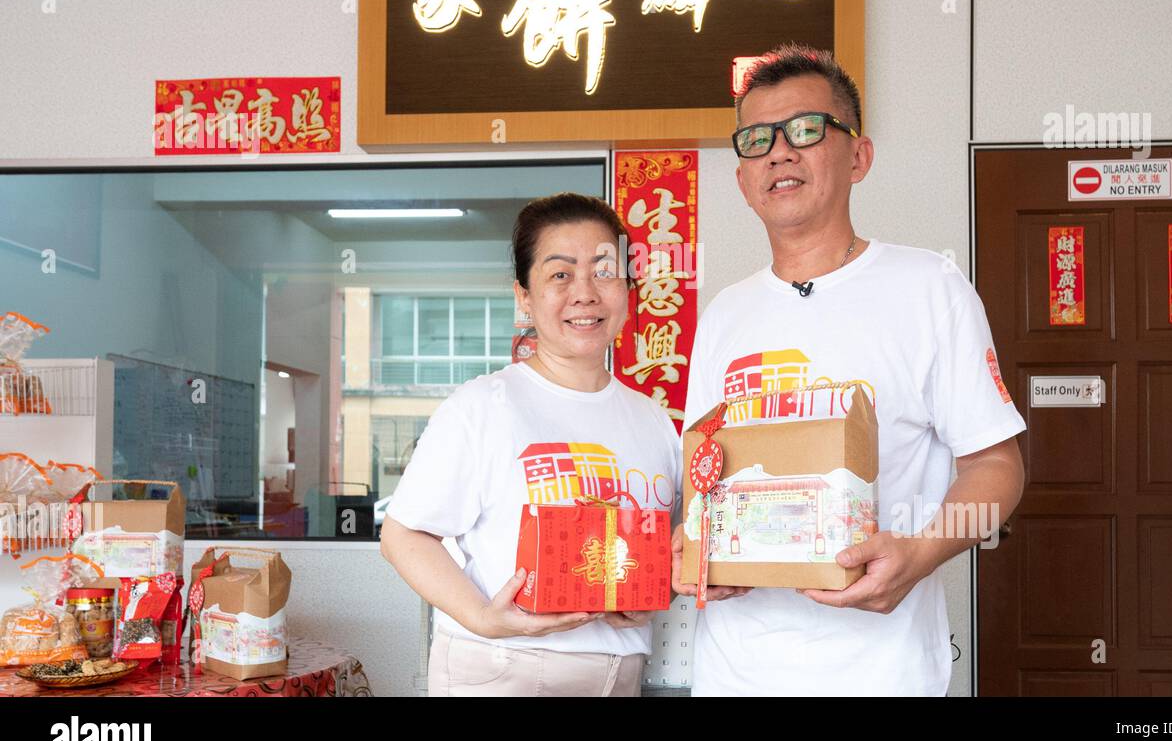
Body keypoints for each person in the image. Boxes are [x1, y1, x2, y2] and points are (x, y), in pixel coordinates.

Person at [671, 44, 1027, 696]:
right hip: (734, 673)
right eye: (756, 140)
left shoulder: (929, 288)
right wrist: (695, 553)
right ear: (743, 177)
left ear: (857, 156)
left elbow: (997, 468)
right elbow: (707, 474)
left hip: (880, 674)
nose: (779, 152)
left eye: (805, 130)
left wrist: (920, 556)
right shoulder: (725, 314)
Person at [382, 193, 680, 697]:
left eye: (604, 271)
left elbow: (668, 545)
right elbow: (403, 535)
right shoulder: (483, 406)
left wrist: (656, 586)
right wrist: (484, 617)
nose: (585, 293)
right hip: (506, 667)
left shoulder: (653, 419)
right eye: (560, 274)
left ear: (628, 289)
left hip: (622, 671)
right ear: (524, 296)